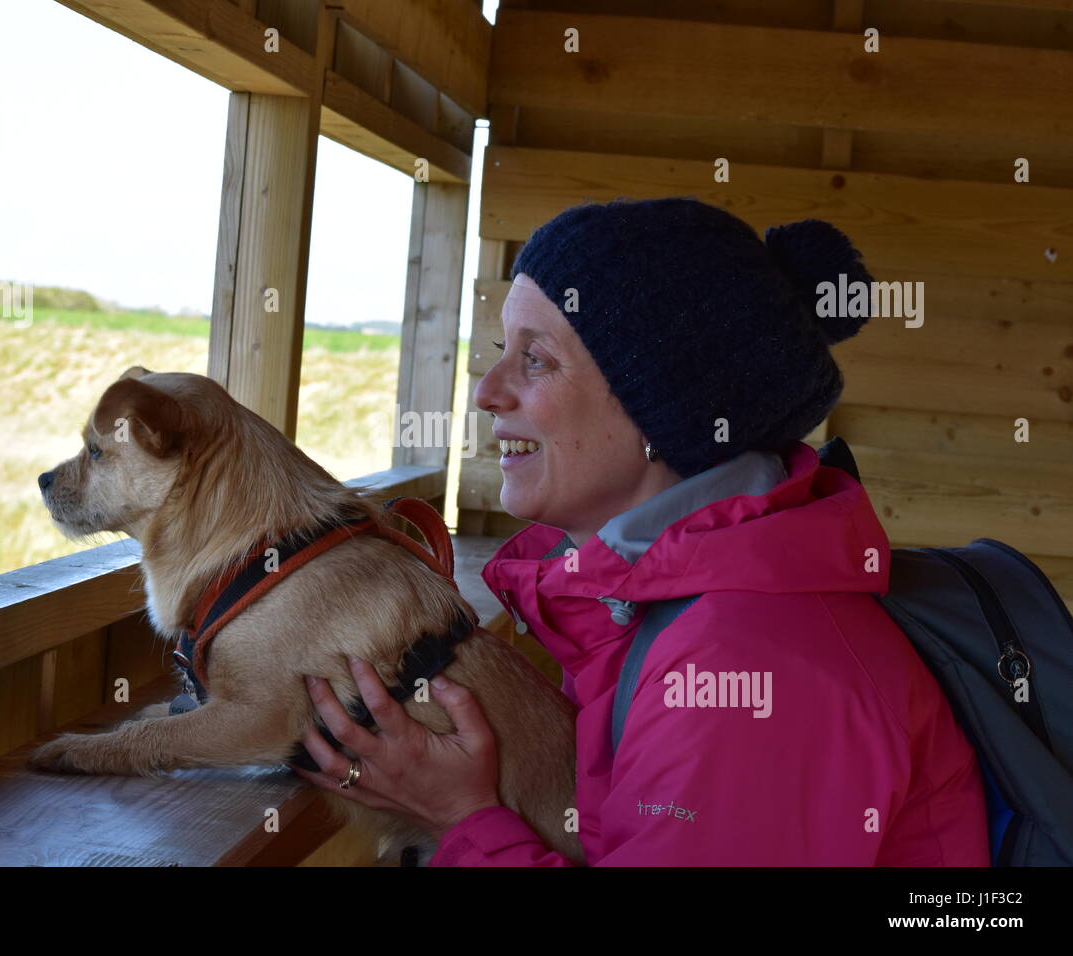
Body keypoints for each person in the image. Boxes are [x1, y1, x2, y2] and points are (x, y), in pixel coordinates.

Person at [288, 196, 990, 866]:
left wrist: (462, 822)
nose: (486, 389)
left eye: (536, 358)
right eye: (505, 347)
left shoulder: (743, 669)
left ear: (664, 412)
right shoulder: (644, 599)